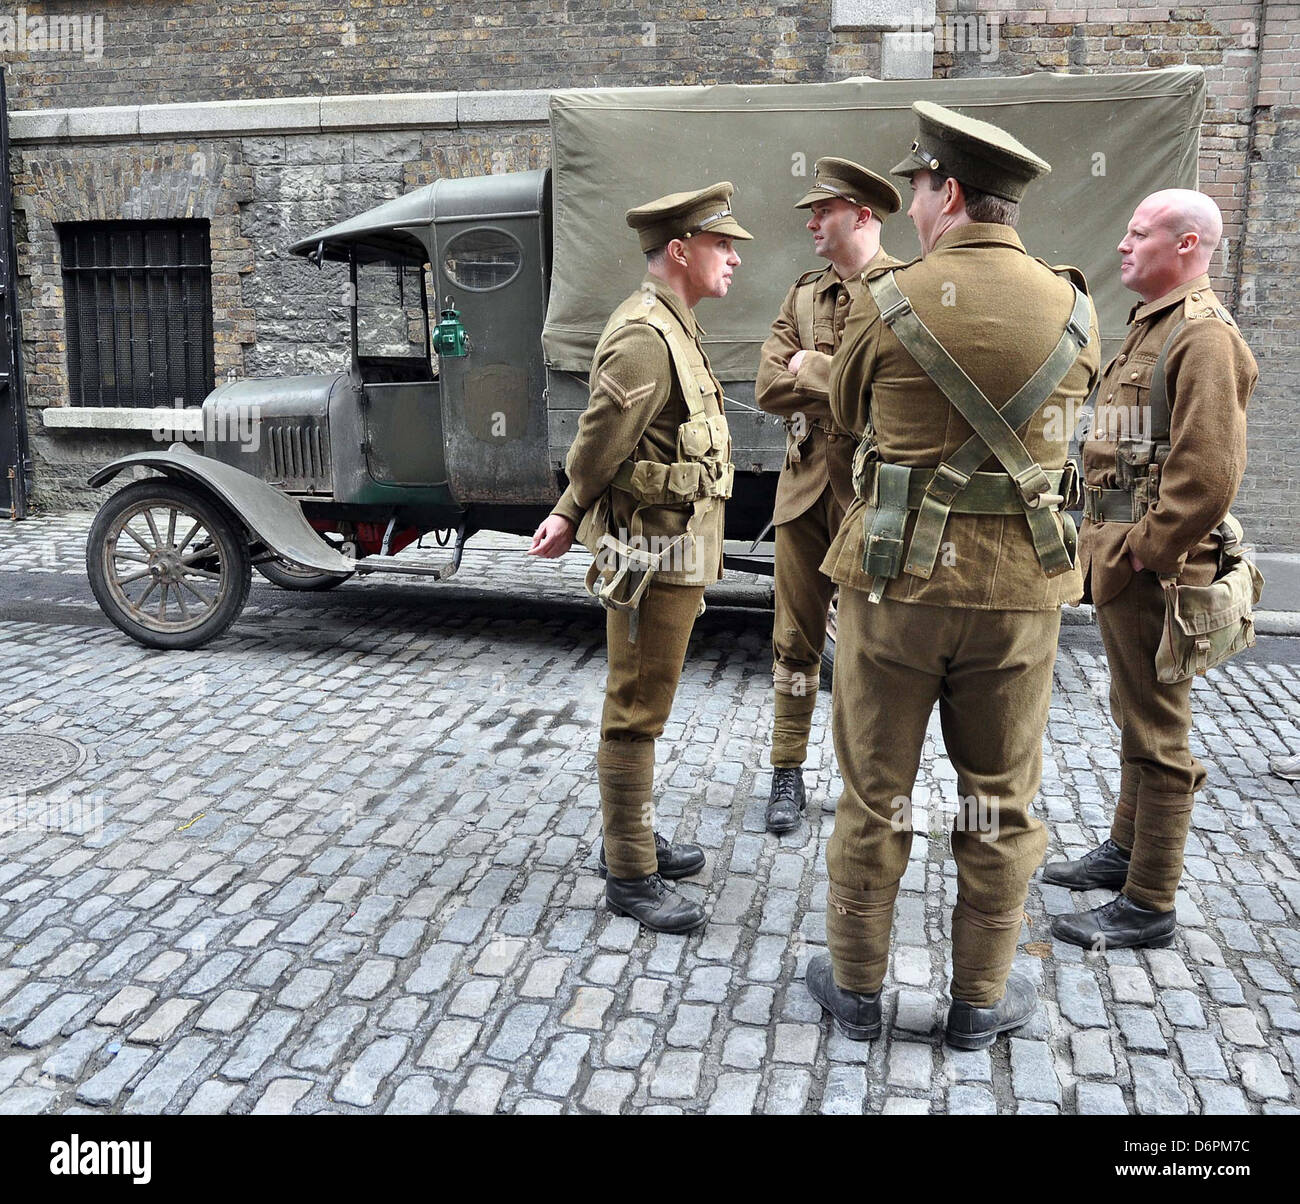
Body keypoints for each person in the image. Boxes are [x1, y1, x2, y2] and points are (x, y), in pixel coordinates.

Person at [803, 102, 1100, 1049]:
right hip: (1018, 598)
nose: (916, 204)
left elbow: (845, 409)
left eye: (921, 186)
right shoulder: (1077, 307)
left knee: (875, 790)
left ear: (953, 192)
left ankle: (856, 986)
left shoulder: (891, 299)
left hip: (897, 588)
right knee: (1000, 799)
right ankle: (978, 997)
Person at [529, 183, 751, 933]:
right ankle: (628, 870)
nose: (736, 258)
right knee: (635, 712)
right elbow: (598, 443)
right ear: (682, 251)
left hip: (676, 548)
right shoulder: (645, 335)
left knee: (647, 709)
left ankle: (635, 829)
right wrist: (567, 511)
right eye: (724, 245)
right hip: (648, 552)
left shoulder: (676, 326)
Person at [1045, 190, 1257, 950]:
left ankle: (1149, 900)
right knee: (1134, 712)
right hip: (1121, 559)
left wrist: (1147, 550)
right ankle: (1124, 851)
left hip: (1153, 570)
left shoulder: (1203, 337)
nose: (1124, 245)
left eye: (1140, 234)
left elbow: (1207, 473)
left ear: (1190, 243)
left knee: (1161, 734)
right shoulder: (1155, 323)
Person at [754, 158, 904, 834]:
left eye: (824, 211)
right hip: (803, 491)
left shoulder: (903, 292)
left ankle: (864, 786)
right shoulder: (804, 295)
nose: (811, 222)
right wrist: (841, 381)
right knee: (794, 643)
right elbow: (765, 386)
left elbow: (893, 399)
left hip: (872, 497)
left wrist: (811, 367)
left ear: (863, 214)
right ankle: (787, 773)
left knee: (872, 652)